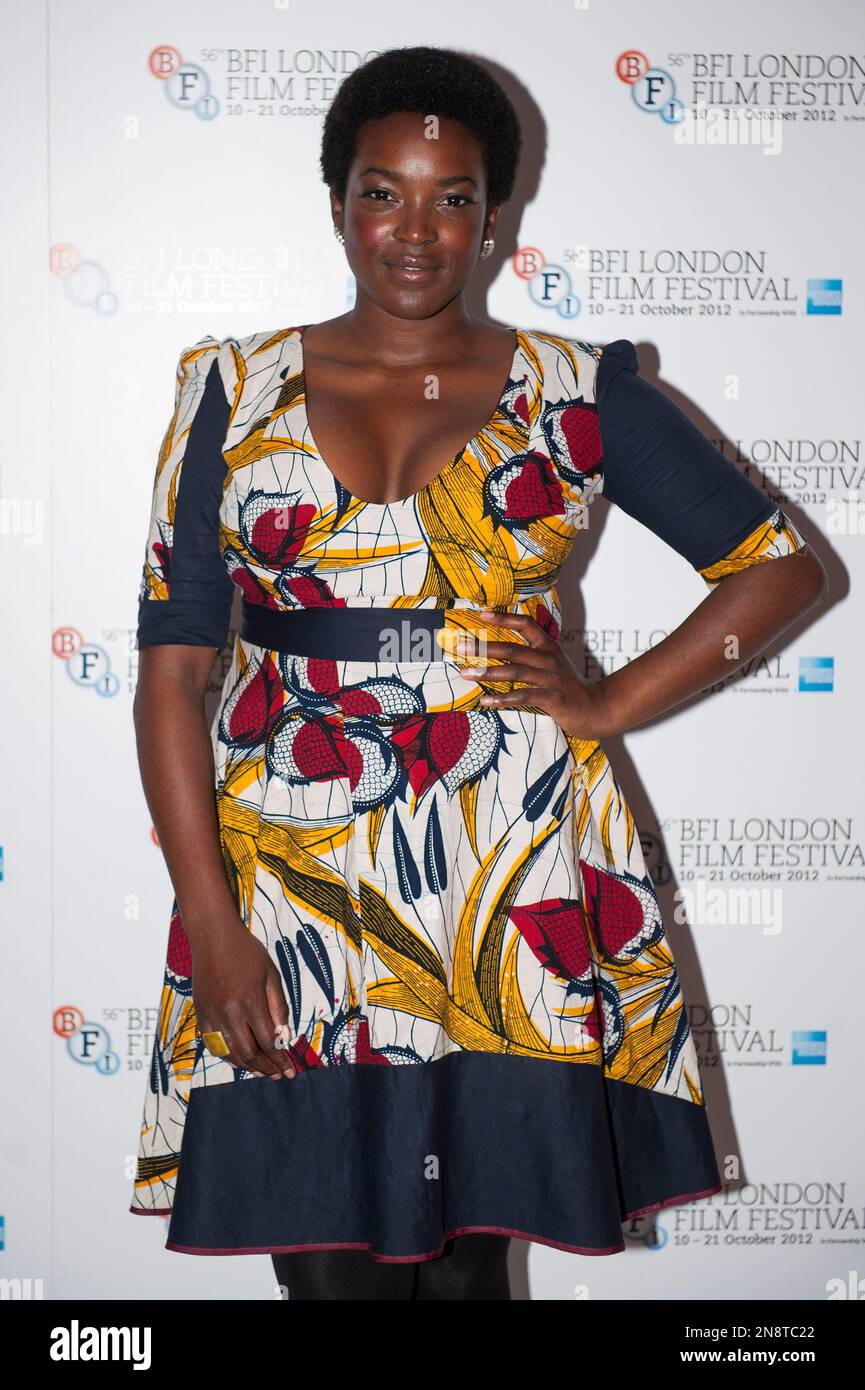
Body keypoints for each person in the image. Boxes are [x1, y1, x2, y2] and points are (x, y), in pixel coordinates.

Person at [128, 45, 827, 1301]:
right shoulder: (228, 390)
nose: (414, 229)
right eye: (381, 190)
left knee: (468, 1272)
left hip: (508, 868)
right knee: (324, 1265)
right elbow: (174, 672)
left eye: (452, 197)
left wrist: (606, 701)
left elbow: (777, 570)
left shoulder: (577, 389)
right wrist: (215, 924)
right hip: (289, 875)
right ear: (335, 199)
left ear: (496, 215)